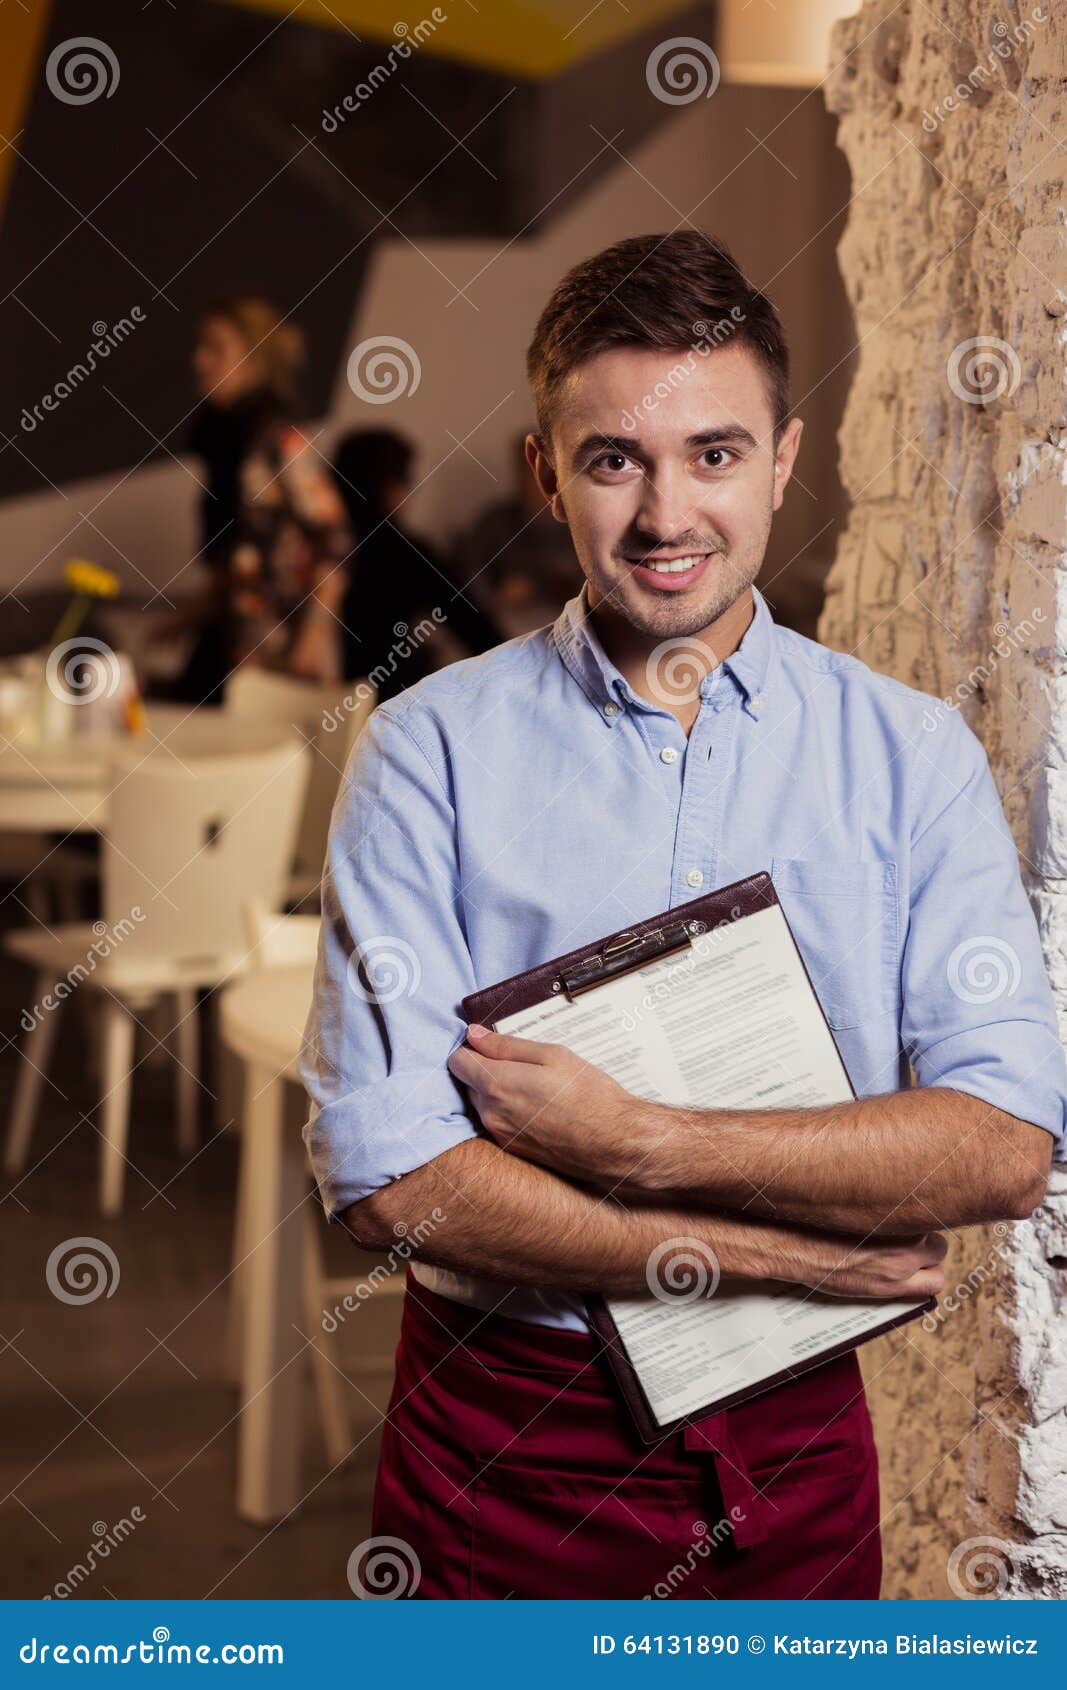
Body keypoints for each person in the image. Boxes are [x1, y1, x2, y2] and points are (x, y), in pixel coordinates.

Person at [299, 232, 1065, 1600]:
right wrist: (768, 1248)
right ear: (545, 471)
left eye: (711, 454)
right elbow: (392, 1176)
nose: (665, 515)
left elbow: (1001, 1139)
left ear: (780, 459)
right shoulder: (426, 751)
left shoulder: (908, 754)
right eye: (612, 461)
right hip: (503, 1445)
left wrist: (638, 1143)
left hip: (796, 1453)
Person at [159, 296, 349, 703]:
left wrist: (312, 639)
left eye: (216, 348)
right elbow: (239, 556)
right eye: (201, 346)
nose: (199, 359)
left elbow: (335, 542)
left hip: (282, 651)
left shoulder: (277, 439)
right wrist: (187, 618)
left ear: (254, 360)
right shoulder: (224, 443)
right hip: (232, 639)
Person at [292, 429, 501, 703]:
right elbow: (475, 628)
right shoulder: (406, 553)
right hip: (383, 709)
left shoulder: (305, 547)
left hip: (294, 706)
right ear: (393, 489)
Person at [451, 430, 585, 636]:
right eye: (528, 470)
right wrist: (495, 597)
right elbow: (470, 579)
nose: (538, 479)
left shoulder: (579, 524)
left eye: (548, 469)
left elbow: (593, 590)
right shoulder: (495, 522)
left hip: (566, 626)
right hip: (505, 628)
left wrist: (544, 589)